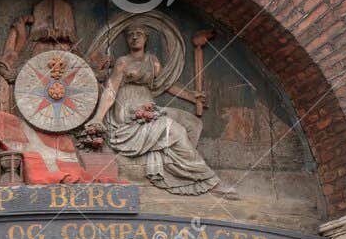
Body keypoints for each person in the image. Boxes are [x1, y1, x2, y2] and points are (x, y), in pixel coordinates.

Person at [86, 26, 235, 198]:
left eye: (139, 34)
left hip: (149, 106)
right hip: (128, 110)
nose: (134, 37)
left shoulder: (153, 61)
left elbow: (167, 85)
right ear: (126, 40)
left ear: (146, 38)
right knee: (174, 131)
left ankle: (180, 168)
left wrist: (192, 97)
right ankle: (208, 179)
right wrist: (98, 118)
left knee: (190, 123)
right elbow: (111, 90)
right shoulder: (123, 62)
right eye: (130, 35)